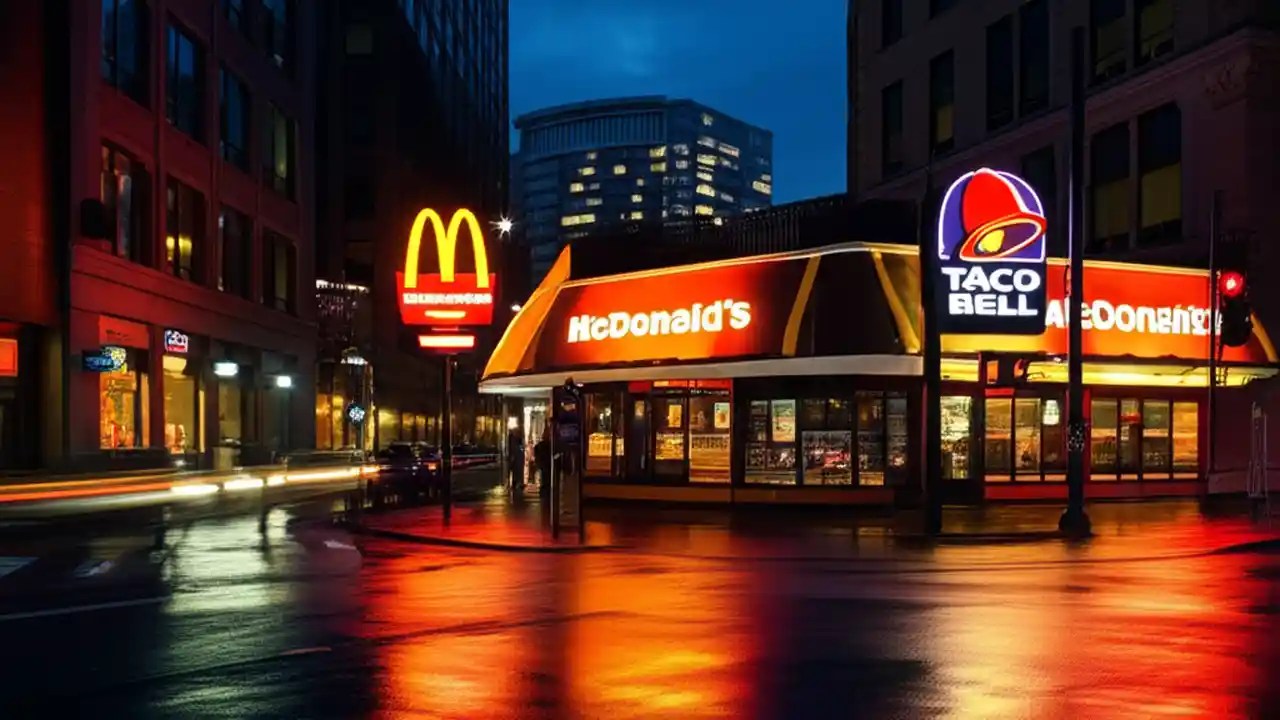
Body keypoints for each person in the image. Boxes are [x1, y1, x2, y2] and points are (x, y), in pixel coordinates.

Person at [506, 428, 525, 499]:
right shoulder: (514, 441)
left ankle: (515, 483)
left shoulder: (514, 440)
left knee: (515, 471)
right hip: (516, 459)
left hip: (516, 458)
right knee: (516, 471)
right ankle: (515, 483)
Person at [534, 436, 551, 502]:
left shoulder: (540, 445)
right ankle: (545, 491)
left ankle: (544, 491)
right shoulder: (546, 445)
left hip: (543, 464)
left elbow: (537, 453)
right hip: (546, 464)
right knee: (545, 477)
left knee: (544, 477)